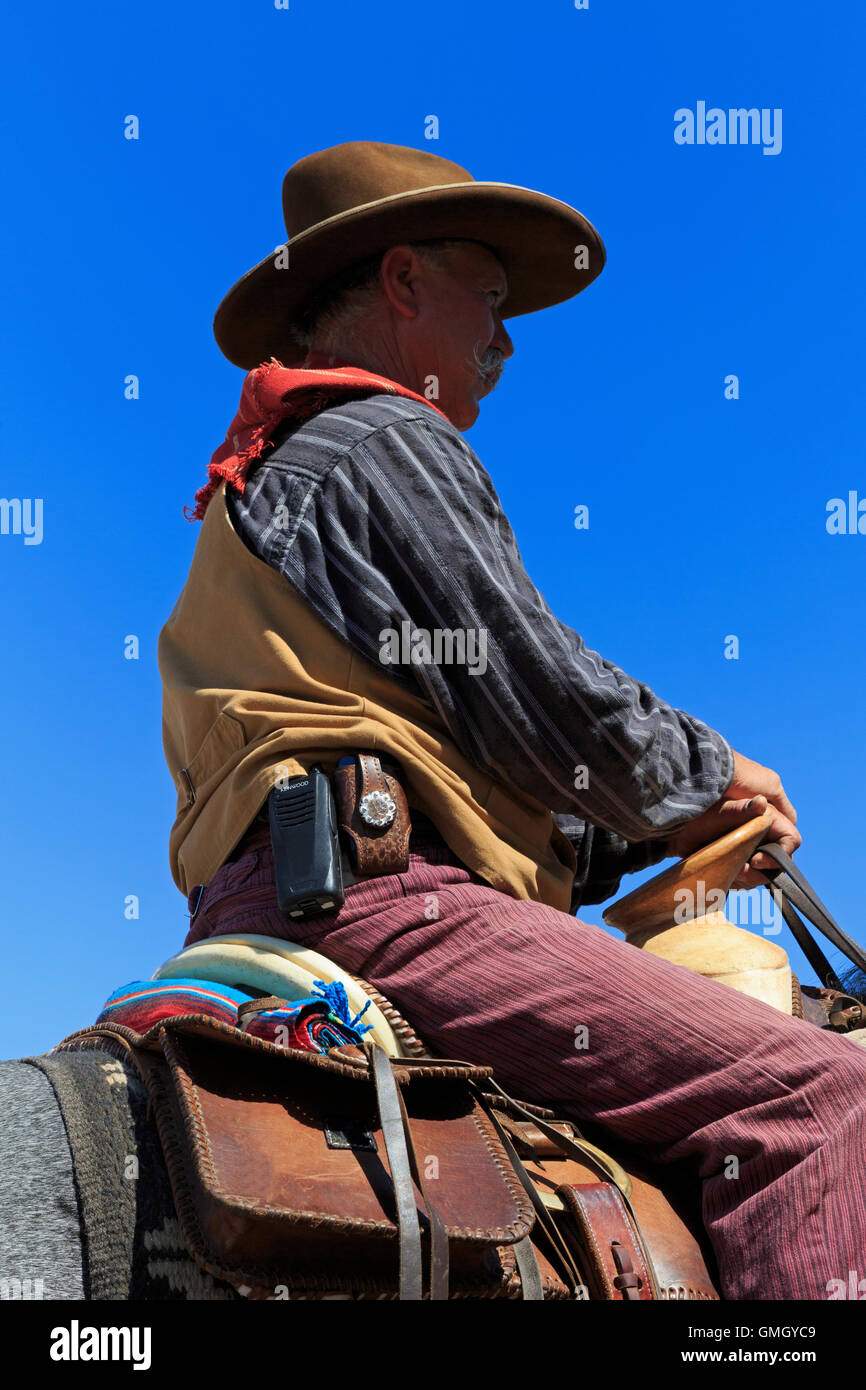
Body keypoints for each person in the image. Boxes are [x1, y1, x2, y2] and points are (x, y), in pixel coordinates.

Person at [157, 140, 866, 1300]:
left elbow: (487, 766)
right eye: (486, 301)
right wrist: (717, 775)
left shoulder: (279, 466)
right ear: (400, 285)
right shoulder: (385, 436)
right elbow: (546, 704)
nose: (505, 339)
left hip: (286, 893)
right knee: (816, 1097)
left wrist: (651, 839)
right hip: (394, 908)